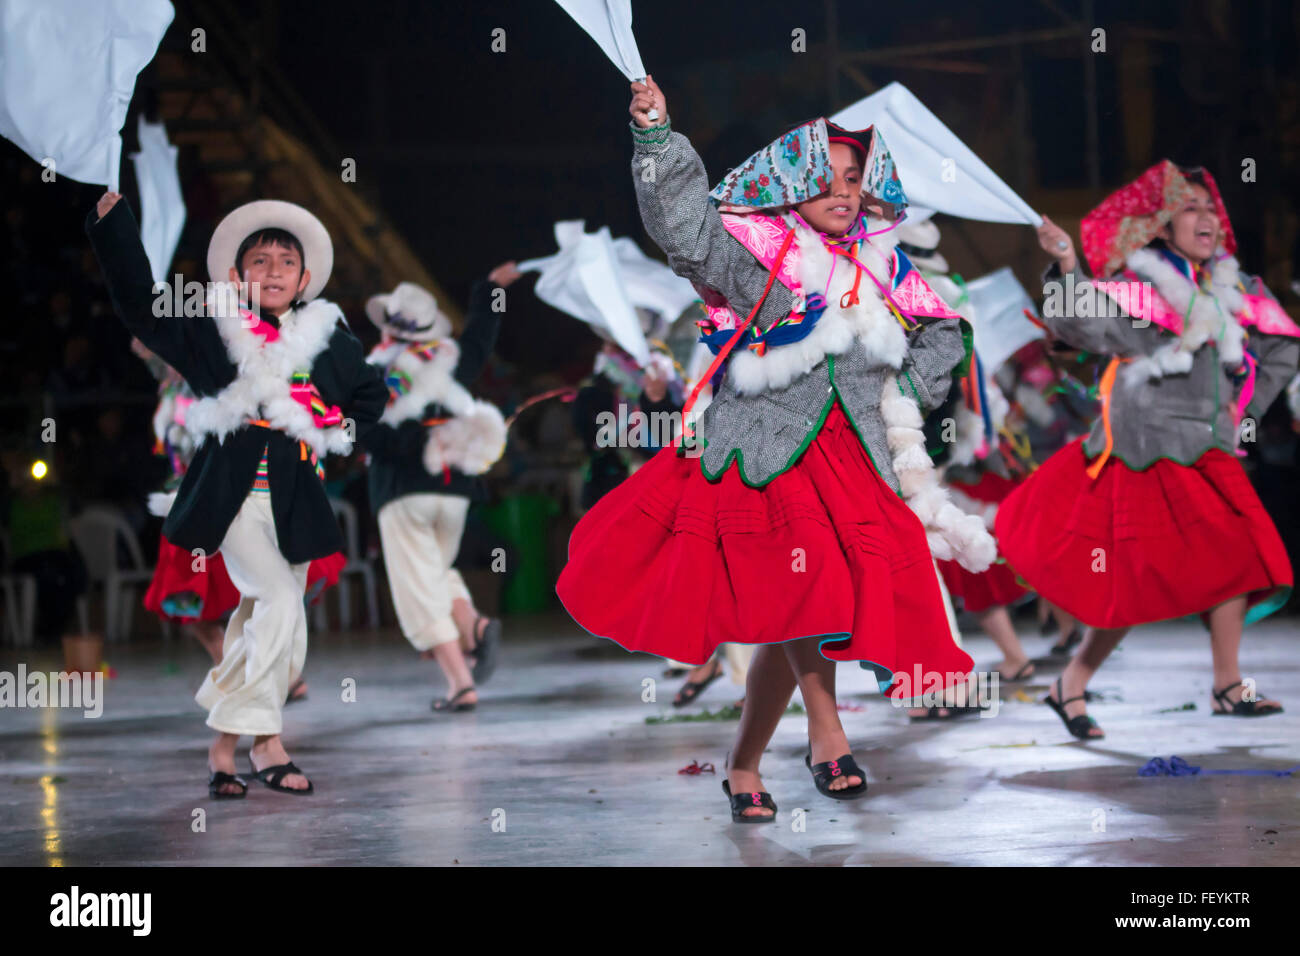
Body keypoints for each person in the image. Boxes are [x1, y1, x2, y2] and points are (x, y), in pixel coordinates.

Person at [558, 76, 989, 822]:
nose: (844, 190)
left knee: (802, 601)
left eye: (857, 178)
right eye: (826, 174)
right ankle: (828, 735)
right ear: (790, 178)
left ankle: (744, 765)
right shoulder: (758, 253)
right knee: (814, 579)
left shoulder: (885, 268)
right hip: (760, 450)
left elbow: (946, 333)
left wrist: (905, 394)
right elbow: (684, 226)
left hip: (854, 458)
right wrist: (657, 137)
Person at [88, 193, 388, 797]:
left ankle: (224, 749)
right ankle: (269, 745)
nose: (272, 270)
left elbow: (371, 401)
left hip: (295, 498)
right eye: (259, 260)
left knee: (273, 626)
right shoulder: (212, 328)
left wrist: (326, 424)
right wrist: (113, 226)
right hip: (230, 498)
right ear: (234, 276)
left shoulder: (328, 339)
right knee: (277, 599)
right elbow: (144, 313)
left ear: (304, 279)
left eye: (285, 261)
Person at [997, 161, 1300, 739]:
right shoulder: (1143, 290)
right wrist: (1066, 262)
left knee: (1240, 552)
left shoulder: (1237, 292)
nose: (1206, 216)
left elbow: (1283, 347)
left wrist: (1244, 411)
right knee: (1134, 583)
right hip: (1147, 449)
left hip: (1209, 446)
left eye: (1211, 207)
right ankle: (1073, 683)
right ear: (1162, 227)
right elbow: (1075, 323)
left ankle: (1227, 683)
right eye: (1189, 208)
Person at [364, 271, 513, 712]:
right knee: (434, 571)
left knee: (416, 588)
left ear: (387, 327)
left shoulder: (374, 374)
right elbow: (483, 334)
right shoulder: (454, 359)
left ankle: (460, 683)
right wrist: (491, 289)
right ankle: (473, 625)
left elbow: (368, 436)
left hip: (403, 490)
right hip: (454, 488)